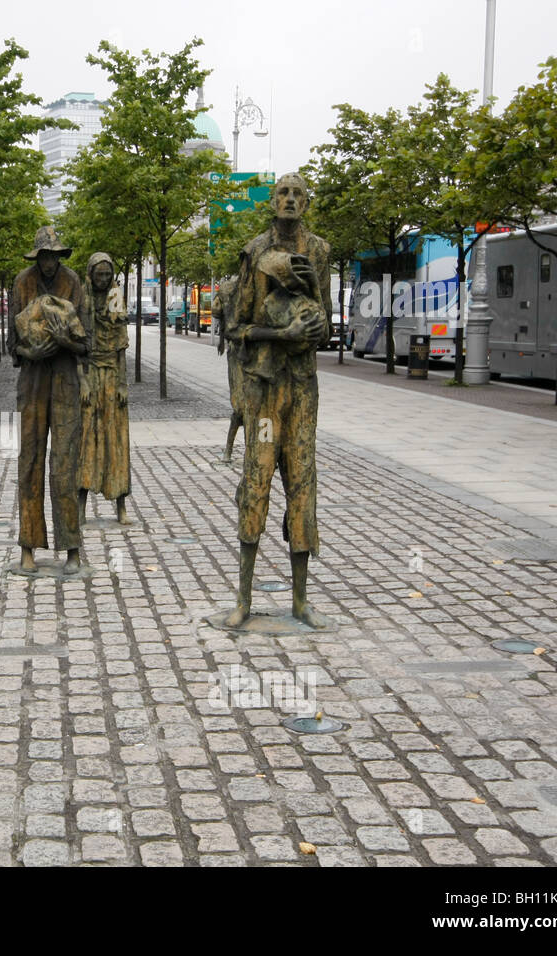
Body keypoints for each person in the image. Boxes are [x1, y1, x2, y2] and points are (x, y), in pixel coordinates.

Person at [224, 173, 332, 629]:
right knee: (257, 481)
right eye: (283, 193)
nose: (289, 200)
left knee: (303, 485)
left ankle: (301, 601)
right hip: (265, 389)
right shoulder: (254, 251)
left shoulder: (320, 252)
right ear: (272, 201)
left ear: (306, 203)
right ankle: (244, 599)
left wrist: (309, 301)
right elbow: (237, 328)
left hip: (302, 389)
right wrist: (280, 334)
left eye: (298, 194)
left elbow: (324, 325)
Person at [8, 226, 87, 574]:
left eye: (54, 256)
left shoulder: (74, 282)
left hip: (66, 379)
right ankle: (28, 545)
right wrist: (32, 351)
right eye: (44, 257)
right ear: (37, 257)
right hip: (34, 379)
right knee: (30, 459)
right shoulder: (22, 283)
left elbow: (87, 344)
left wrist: (64, 342)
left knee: (65, 463)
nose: (49, 263)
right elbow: (12, 344)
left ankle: (71, 548)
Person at [77, 252, 131, 525]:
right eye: (98, 274)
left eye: (107, 274)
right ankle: (81, 505)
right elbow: (76, 344)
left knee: (116, 439)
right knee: (87, 438)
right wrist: (83, 380)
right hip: (90, 374)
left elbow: (121, 342)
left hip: (112, 376)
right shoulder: (82, 298)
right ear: (90, 274)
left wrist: (123, 382)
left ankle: (121, 505)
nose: (103, 279)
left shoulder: (115, 297)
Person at [213, 276, 242, 463]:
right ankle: (229, 450)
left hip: (241, 352)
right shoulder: (230, 288)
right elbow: (217, 311)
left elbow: (217, 312)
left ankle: (230, 451)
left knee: (241, 407)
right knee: (240, 408)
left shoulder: (228, 288)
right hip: (240, 352)